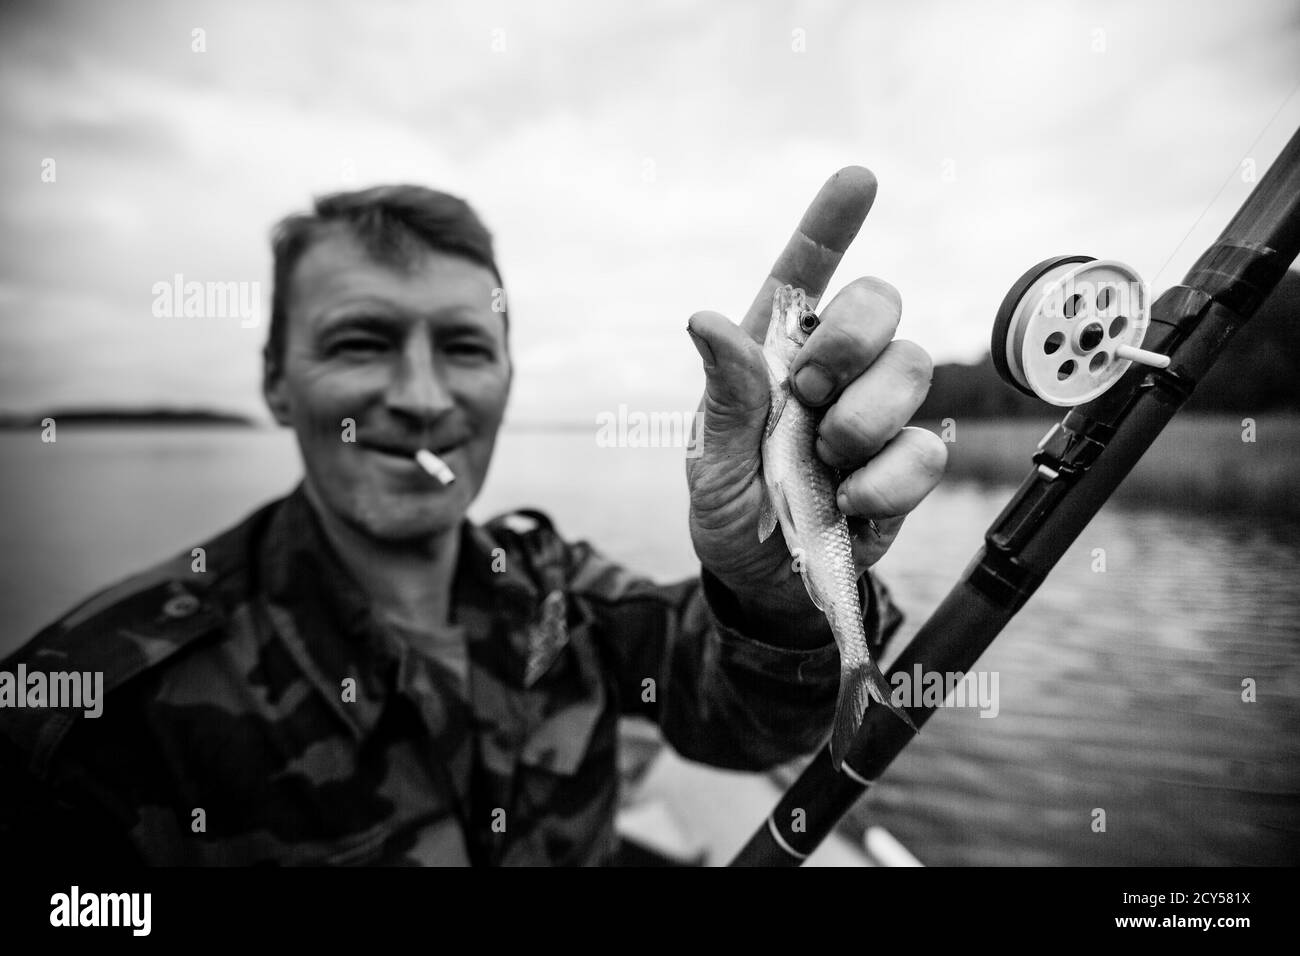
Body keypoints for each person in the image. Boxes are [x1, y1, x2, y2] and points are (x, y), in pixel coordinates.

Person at [0, 170, 946, 865]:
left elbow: (738, 724)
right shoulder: (83, 704)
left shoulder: (556, 588)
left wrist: (775, 592)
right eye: (362, 341)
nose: (420, 397)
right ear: (275, 386)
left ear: (505, 380)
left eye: (462, 346)